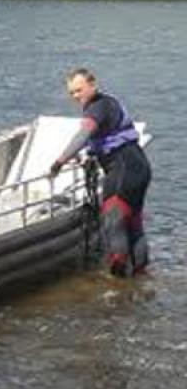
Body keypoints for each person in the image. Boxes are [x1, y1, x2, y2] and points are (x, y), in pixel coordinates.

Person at [49, 67, 151, 277]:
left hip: (123, 166)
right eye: (72, 92)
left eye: (79, 90)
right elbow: (103, 140)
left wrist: (59, 162)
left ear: (93, 85)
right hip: (138, 164)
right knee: (132, 221)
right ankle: (140, 276)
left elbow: (83, 135)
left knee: (113, 217)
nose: (76, 96)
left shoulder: (98, 106)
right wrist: (85, 156)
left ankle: (118, 280)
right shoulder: (109, 103)